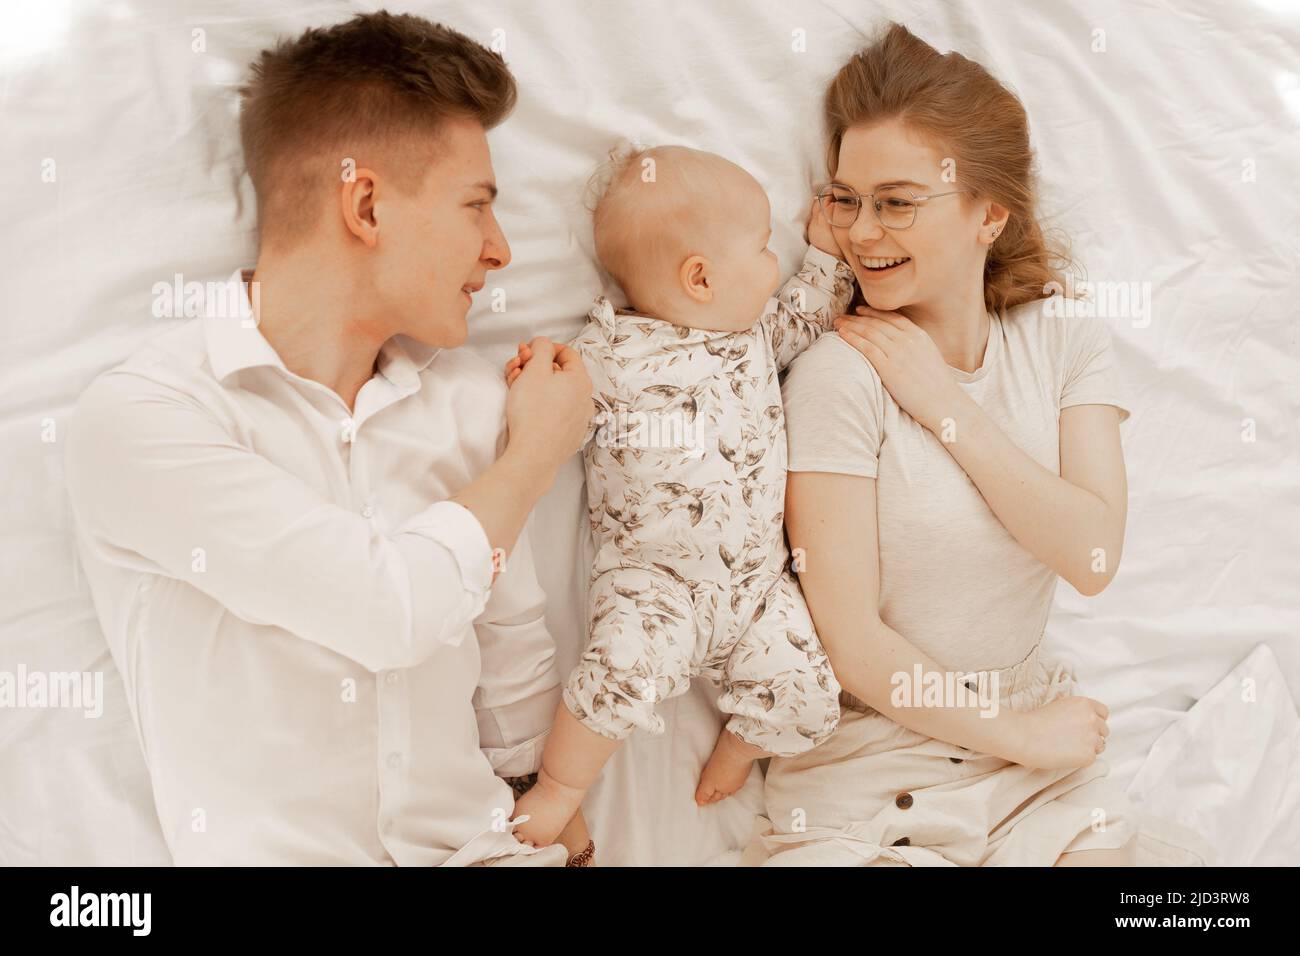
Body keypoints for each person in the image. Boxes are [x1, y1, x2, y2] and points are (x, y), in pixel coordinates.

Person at [64, 11, 593, 867]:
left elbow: (511, 660)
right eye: (476, 207)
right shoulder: (147, 419)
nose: (498, 250)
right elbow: (388, 612)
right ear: (367, 203)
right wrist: (535, 457)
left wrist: (555, 822)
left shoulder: (468, 405)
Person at [744, 22, 1138, 867]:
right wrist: (1021, 734)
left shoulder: (1064, 340)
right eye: (846, 198)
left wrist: (944, 406)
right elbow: (853, 645)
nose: (862, 232)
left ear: (989, 212)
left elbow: (1094, 555)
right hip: (873, 772)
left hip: (1035, 770)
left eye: (898, 201)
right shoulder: (836, 376)